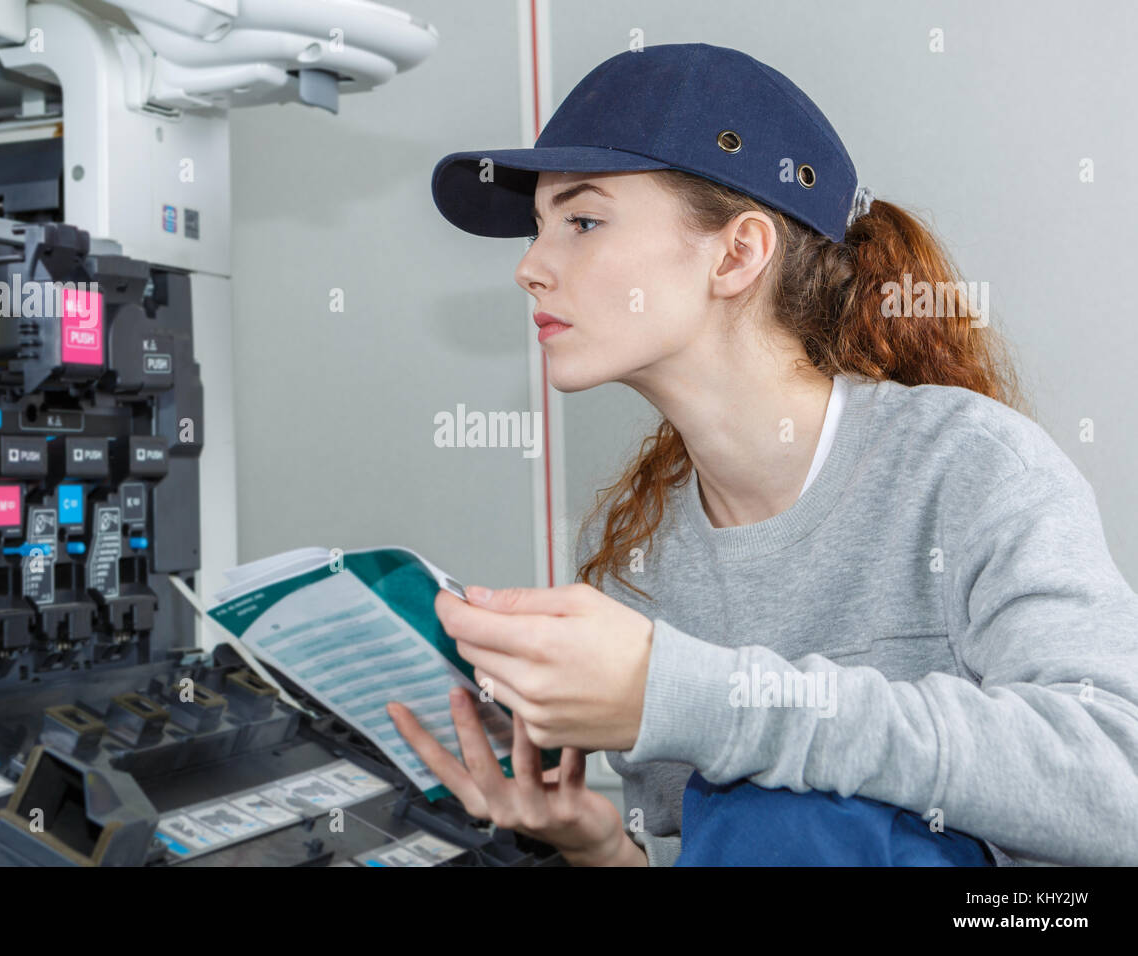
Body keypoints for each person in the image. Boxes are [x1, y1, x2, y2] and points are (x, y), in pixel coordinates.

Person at [386, 42, 1138, 866]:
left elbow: (1116, 783)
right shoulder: (634, 560)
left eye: (583, 221)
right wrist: (596, 844)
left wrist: (693, 696)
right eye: (538, 229)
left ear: (738, 253)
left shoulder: (970, 466)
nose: (530, 268)